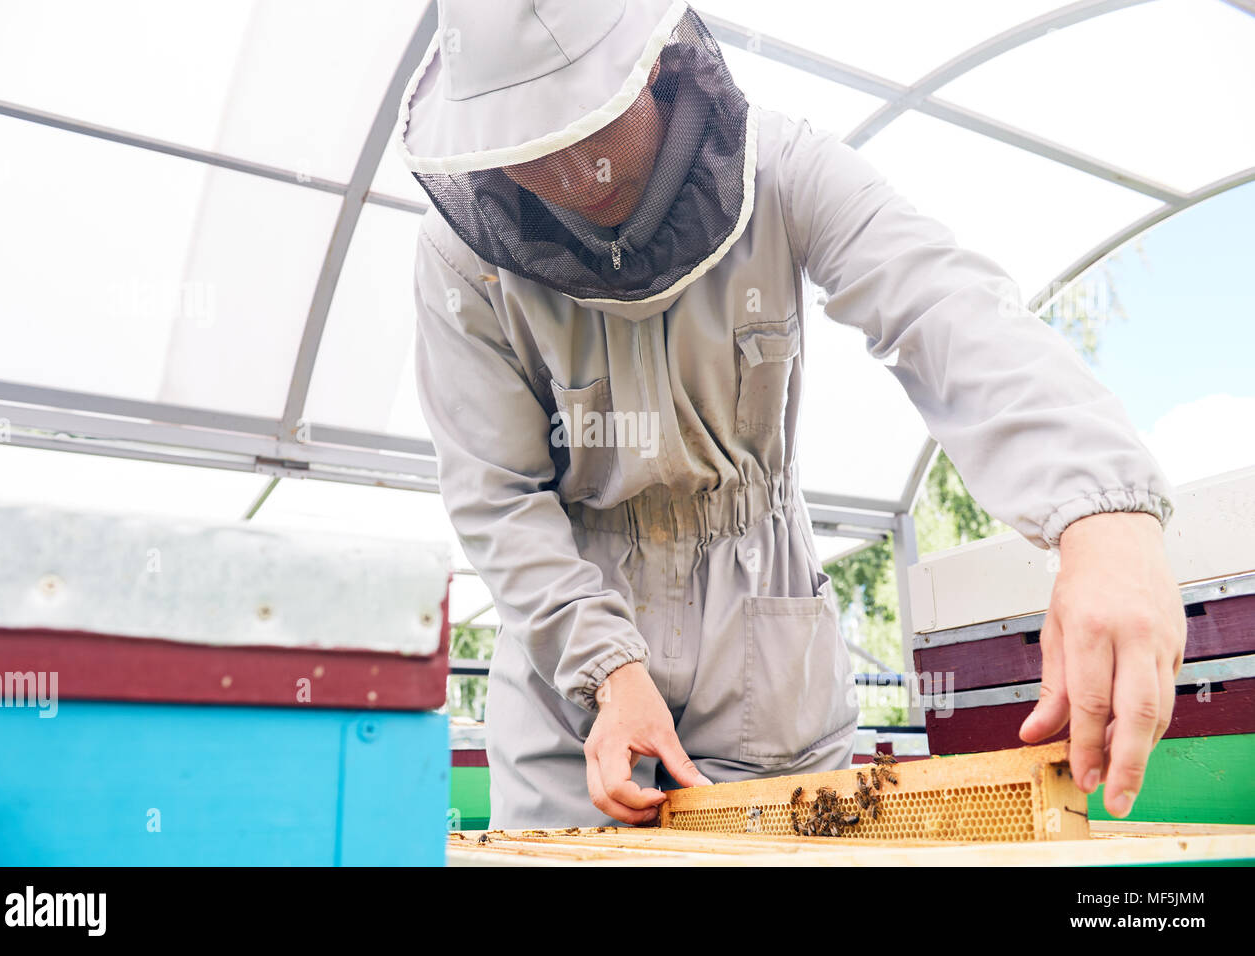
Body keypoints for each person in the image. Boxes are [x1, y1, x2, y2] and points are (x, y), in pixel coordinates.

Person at [393, 0, 1186, 829]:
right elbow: (496, 494)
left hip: (763, 647)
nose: (560, 175)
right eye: (527, 146)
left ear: (655, 63)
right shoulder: (458, 259)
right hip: (569, 670)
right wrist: (606, 669)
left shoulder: (784, 168)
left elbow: (942, 305)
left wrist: (1106, 515)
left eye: (582, 127)